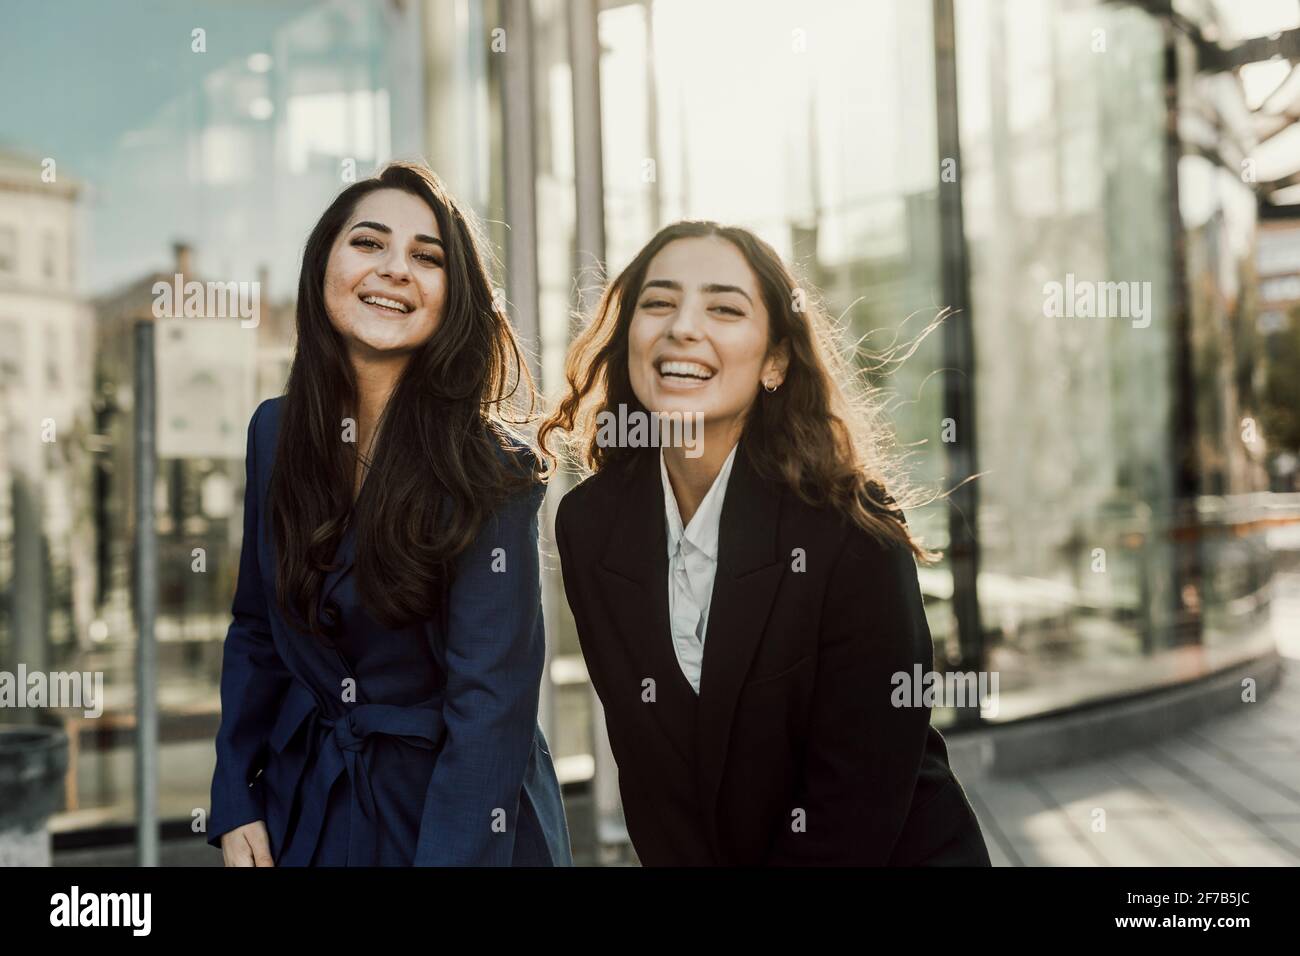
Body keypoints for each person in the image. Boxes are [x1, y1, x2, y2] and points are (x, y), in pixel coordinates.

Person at [541, 220, 991, 865]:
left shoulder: (850, 528)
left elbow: (855, 803)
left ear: (776, 360)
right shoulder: (590, 524)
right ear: (631, 337)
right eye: (659, 303)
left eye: (724, 308)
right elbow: (651, 781)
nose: (683, 327)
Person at [208, 161, 571, 866]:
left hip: (459, 819)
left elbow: (491, 710)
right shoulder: (274, 434)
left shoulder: (493, 469)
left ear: (452, 297)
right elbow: (256, 630)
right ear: (324, 267)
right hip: (312, 803)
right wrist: (235, 796)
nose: (395, 269)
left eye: (426, 256)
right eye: (368, 243)